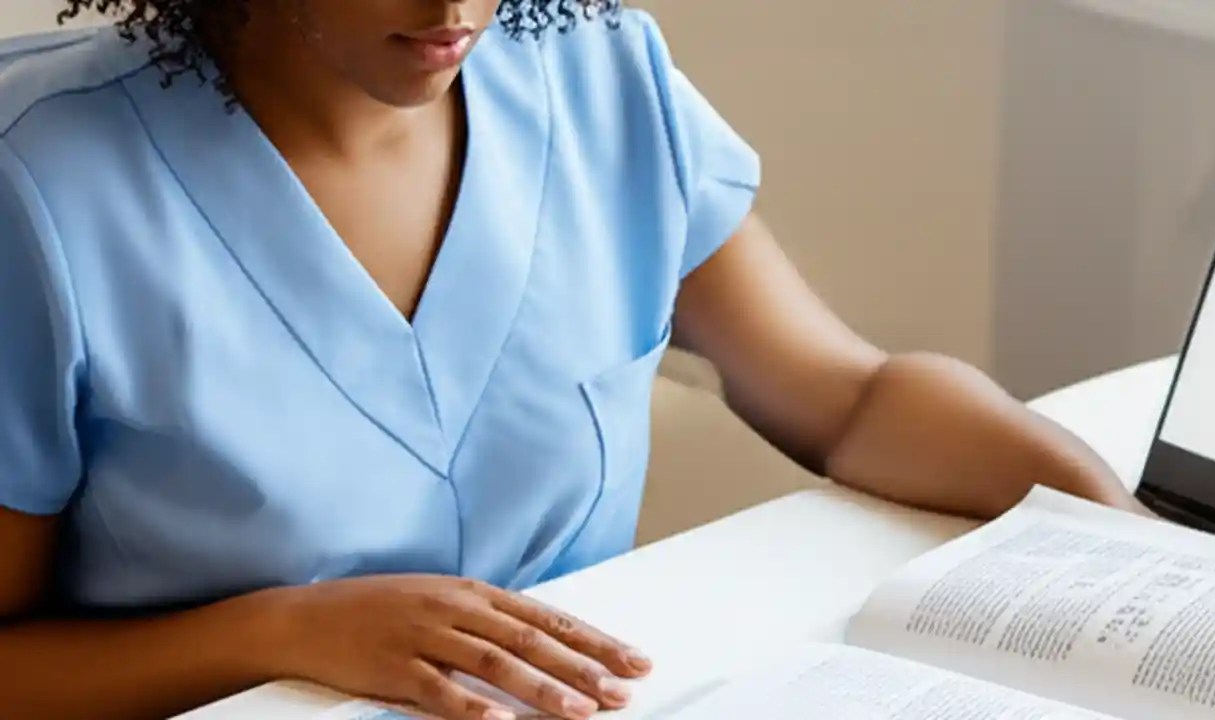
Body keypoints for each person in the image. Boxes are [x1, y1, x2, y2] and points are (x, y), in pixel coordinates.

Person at [0, 1, 1142, 719]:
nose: (454, 6)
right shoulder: (45, 184)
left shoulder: (596, 69)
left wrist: (1126, 540)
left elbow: (849, 401)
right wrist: (287, 631)